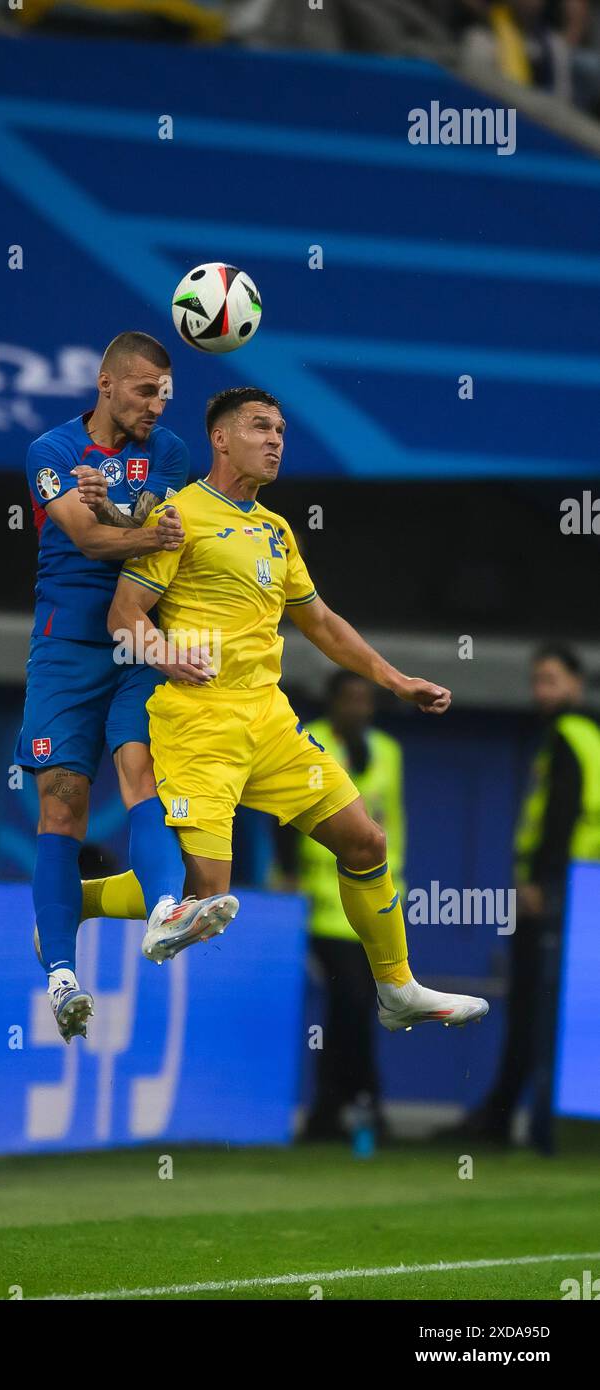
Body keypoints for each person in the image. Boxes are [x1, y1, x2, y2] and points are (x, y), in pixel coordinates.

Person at [105, 386, 489, 1033]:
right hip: (201, 721)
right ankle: (74, 902)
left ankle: (396, 989)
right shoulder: (179, 515)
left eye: (282, 428)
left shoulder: (277, 532)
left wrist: (397, 680)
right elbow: (125, 615)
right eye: (261, 426)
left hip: (271, 722)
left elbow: (323, 624)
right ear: (221, 439)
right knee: (205, 898)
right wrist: (165, 653)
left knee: (366, 840)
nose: (277, 438)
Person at [15, 331, 238, 1042]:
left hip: (138, 639)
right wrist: (125, 521)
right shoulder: (49, 452)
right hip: (65, 650)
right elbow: (87, 538)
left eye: (164, 395)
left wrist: (120, 515)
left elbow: (151, 531)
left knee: (139, 768)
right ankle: (62, 977)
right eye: (145, 391)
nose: (156, 406)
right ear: (105, 383)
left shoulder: (168, 452)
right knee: (62, 804)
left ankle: (166, 910)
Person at [446, 644, 600, 1146]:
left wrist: (536, 880)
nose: (541, 691)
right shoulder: (581, 737)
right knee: (544, 1006)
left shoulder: (568, 738)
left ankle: (518, 1122)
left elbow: (560, 814)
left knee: (536, 1005)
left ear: (577, 684)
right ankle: (519, 1117)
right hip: (576, 889)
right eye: (536, 681)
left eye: (552, 680)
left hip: (556, 890)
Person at [286, 672, 406, 1141]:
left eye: (366, 699)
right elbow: (286, 813)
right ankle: (366, 1105)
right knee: (353, 1003)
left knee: (354, 1009)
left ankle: (331, 1111)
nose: (359, 708)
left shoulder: (389, 753)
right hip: (325, 905)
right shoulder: (304, 741)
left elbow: (393, 823)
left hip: (375, 904)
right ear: (332, 703)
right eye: (350, 699)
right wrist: (288, 872)